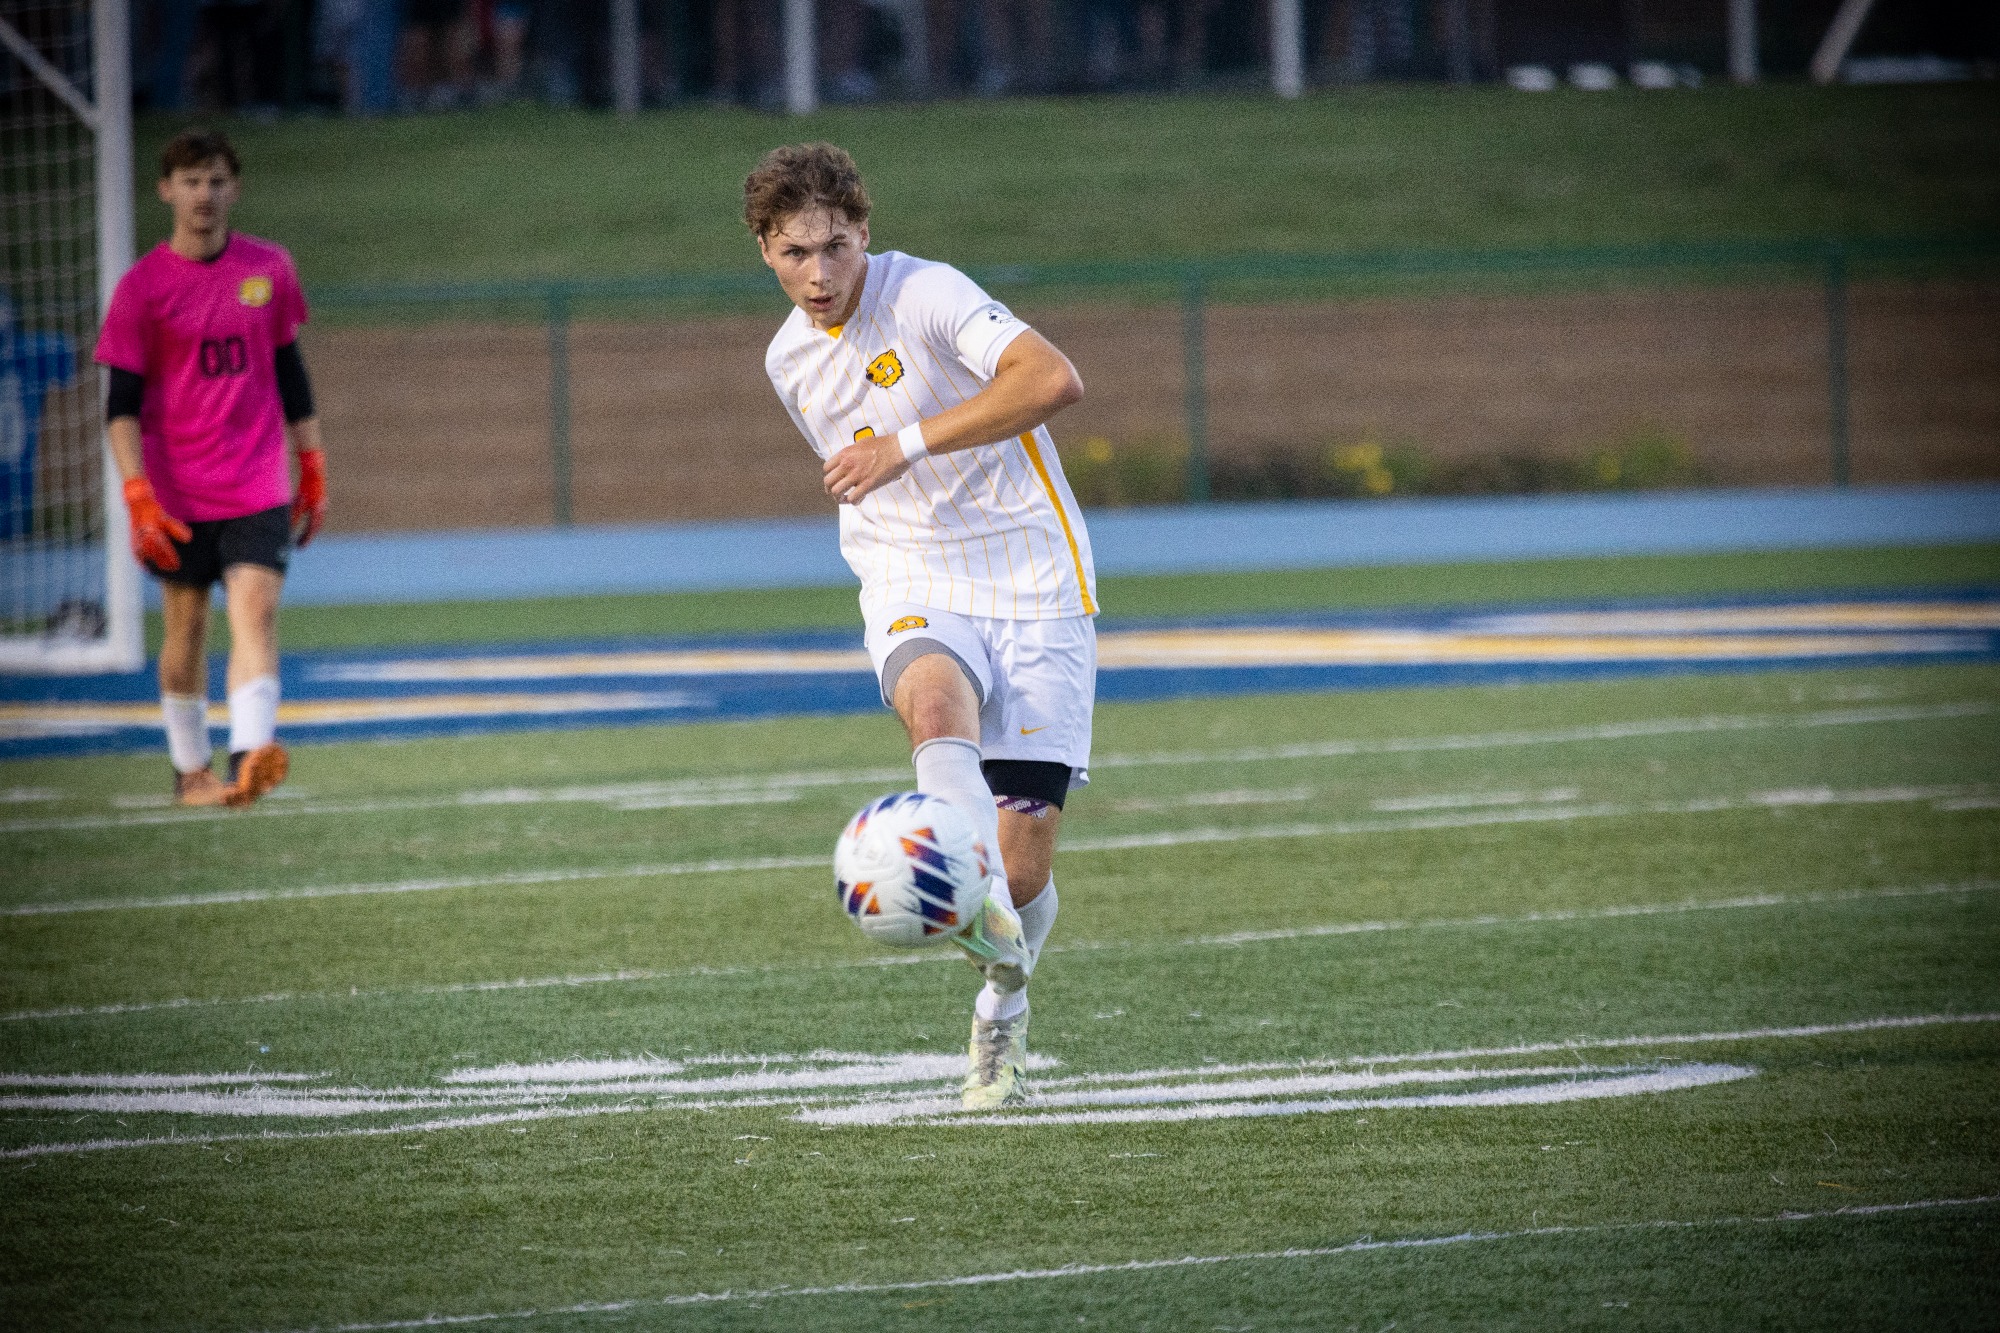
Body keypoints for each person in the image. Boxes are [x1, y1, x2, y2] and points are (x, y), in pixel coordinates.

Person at [749, 142, 1097, 1109]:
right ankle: (945, 849)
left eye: (834, 248)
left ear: (864, 232)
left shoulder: (931, 293)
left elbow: (1053, 379)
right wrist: (886, 470)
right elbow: (868, 477)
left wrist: (898, 445)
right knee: (934, 702)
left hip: (1032, 574)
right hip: (910, 570)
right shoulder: (787, 359)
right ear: (765, 254)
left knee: (1018, 877)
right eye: (793, 254)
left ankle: (1003, 1000)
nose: (819, 275)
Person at [97, 129, 327, 808]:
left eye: (217, 180)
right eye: (192, 181)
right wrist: (137, 493)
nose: (205, 194)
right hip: (176, 488)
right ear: (166, 190)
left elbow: (291, 370)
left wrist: (311, 463)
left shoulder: (270, 270)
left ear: (236, 188)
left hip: (257, 477)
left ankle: (250, 757)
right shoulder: (142, 289)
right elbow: (121, 406)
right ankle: (190, 771)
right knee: (186, 625)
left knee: (255, 609)